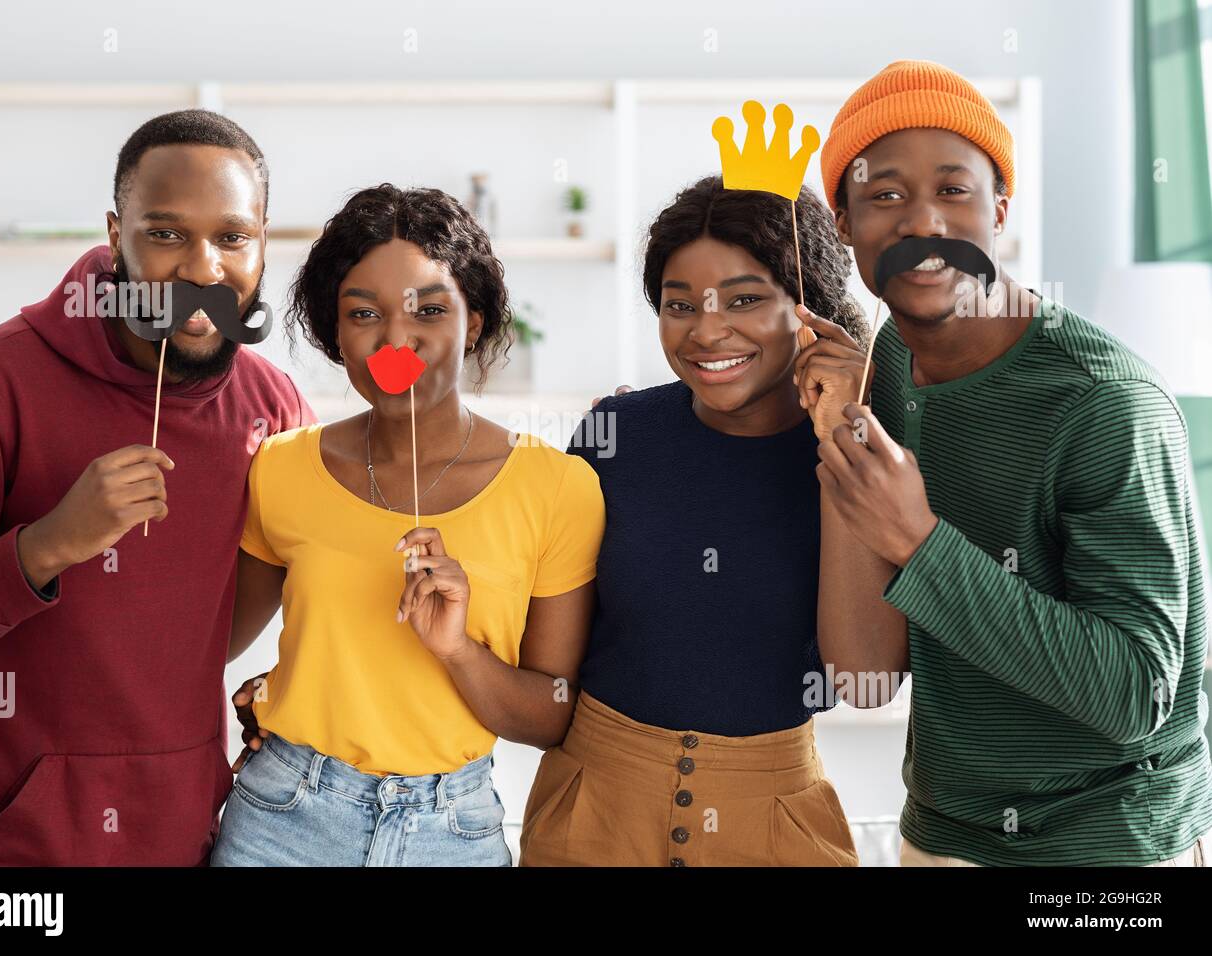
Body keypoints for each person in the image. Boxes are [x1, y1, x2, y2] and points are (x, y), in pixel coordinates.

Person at [817, 59, 1212, 866]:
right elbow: (862, 680)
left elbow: (1138, 693)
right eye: (885, 194)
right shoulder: (887, 363)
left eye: (954, 190)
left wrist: (921, 542)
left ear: (1001, 209)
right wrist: (840, 432)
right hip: (942, 836)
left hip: (1108, 853)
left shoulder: (1105, 405)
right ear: (842, 224)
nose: (922, 221)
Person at [0, 110, 310, 866]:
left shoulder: (275, 409)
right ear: (115, 230)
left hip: (187, 833)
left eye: (231, 237)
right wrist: (46, 546)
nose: (201, 271)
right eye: (165, 234)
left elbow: (244, 610)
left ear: (262, 240)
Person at [518, 176, 907, 867]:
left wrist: (839, 442)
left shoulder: (870, 453)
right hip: (592, 813)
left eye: (744, 299)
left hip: (775, 820)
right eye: (678, 305)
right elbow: (547, 665)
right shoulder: (615, 435)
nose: (706, 330)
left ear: (809, 307)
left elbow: (864, 678)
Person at [215, 184, 605, 867]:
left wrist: (457, 650)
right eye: (364, 312)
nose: (398, 338)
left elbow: (551, 715)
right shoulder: (280, 469)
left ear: (475, 321)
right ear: (336, 332)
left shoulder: (558, 488)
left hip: (452, 831)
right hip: (284, 819)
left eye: (429, 309)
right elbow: (208, 646)